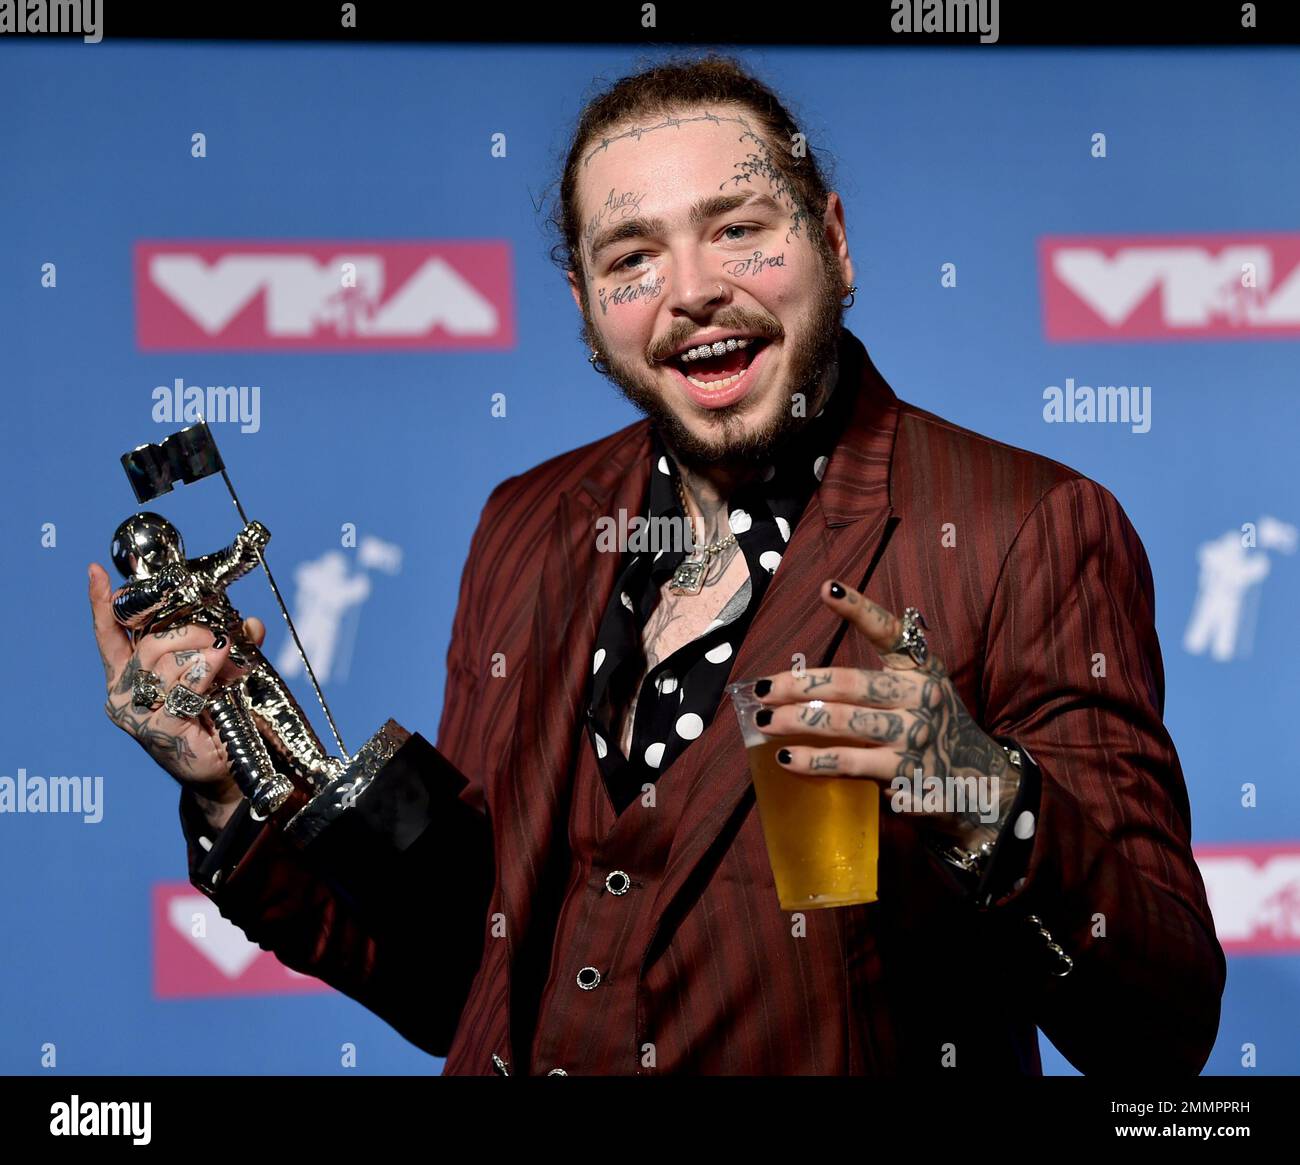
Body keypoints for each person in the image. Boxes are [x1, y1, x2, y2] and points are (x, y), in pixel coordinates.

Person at [88, 53, 1225, 1076]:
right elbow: (462, 986)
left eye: (738, 229)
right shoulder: (529, 522)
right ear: (586, 309)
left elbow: (1162, 1026)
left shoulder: (1022, 525)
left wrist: (985, 794)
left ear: (831, 241)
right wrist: (235, 784)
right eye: (633, 256)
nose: (691, 290)